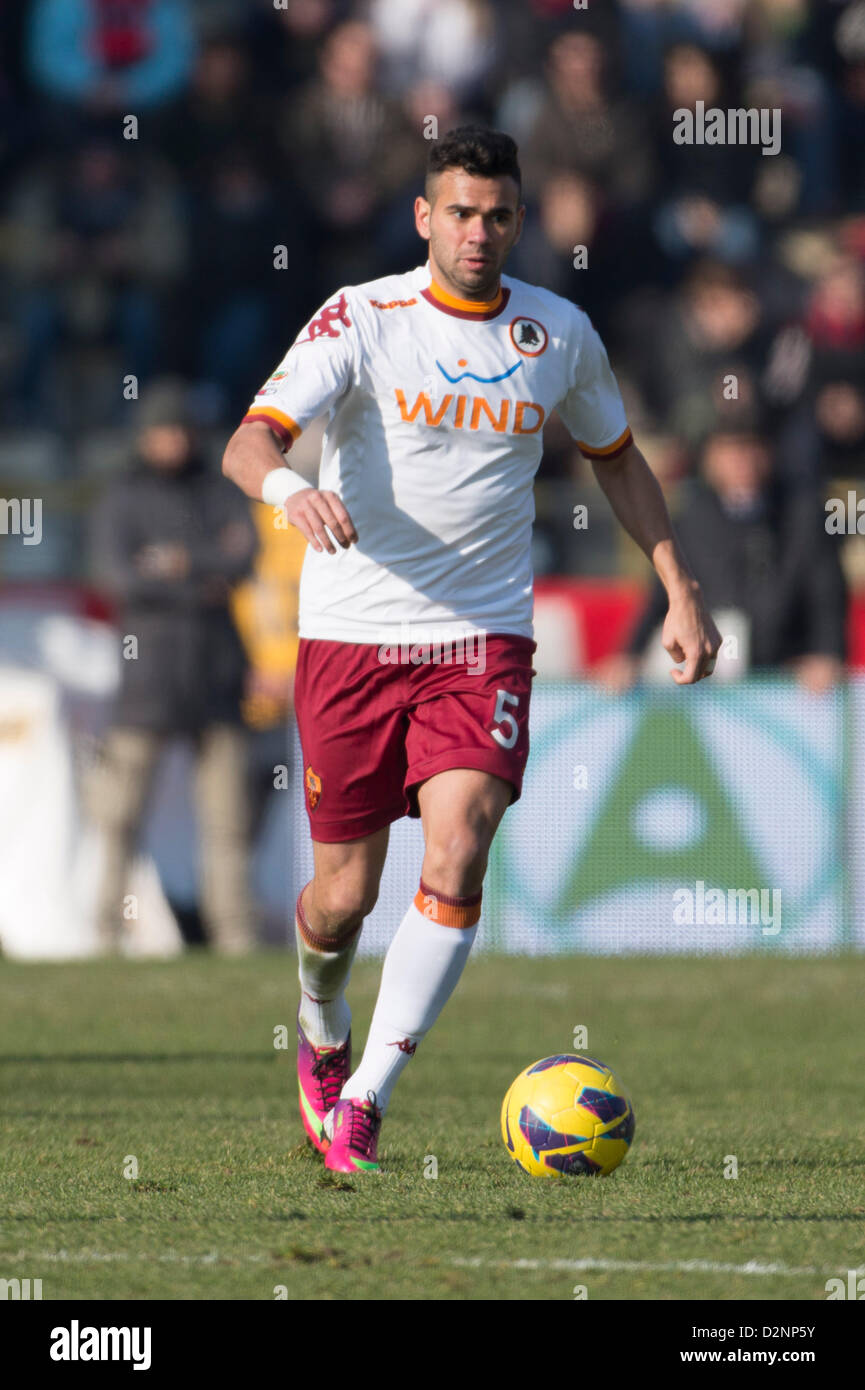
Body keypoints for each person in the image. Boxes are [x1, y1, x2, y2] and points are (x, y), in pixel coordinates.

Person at [222, 126, 720, 1173]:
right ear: (424, 219)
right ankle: (320, 1017)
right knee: (343, 898)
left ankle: (366, 1096)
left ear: (519, 223)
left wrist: (676, 584)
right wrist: (291, 488)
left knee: (459, 845)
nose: (477, 232)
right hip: (353, 636)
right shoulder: (364, 315)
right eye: (459, 212)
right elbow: (249, 439)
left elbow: (618, 462)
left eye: (496, 215)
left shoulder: (559, 333)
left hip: (482, 639)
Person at [88, 378, 259, 954]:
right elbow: (117, 575)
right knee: (118, 820)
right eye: (162, 431)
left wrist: (175, 565)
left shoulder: (216, 490)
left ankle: (234, 938)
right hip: (147, 685)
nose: (173, 442)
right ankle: (104, 933)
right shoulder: (123, 496)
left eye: (181, 430)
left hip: (215, 678)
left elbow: (245, 557)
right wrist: (201, 576)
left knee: (228, 826)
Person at [598, 428, 847, 694]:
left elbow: (826, 595)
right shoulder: (690, 521)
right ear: (710, 458)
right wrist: (630, 655)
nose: (743, 461)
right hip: (711, 684)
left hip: (786, 678)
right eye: (731, 451)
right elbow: (662, 597)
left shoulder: (801, 517)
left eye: (751, 449)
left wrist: (827, 653)